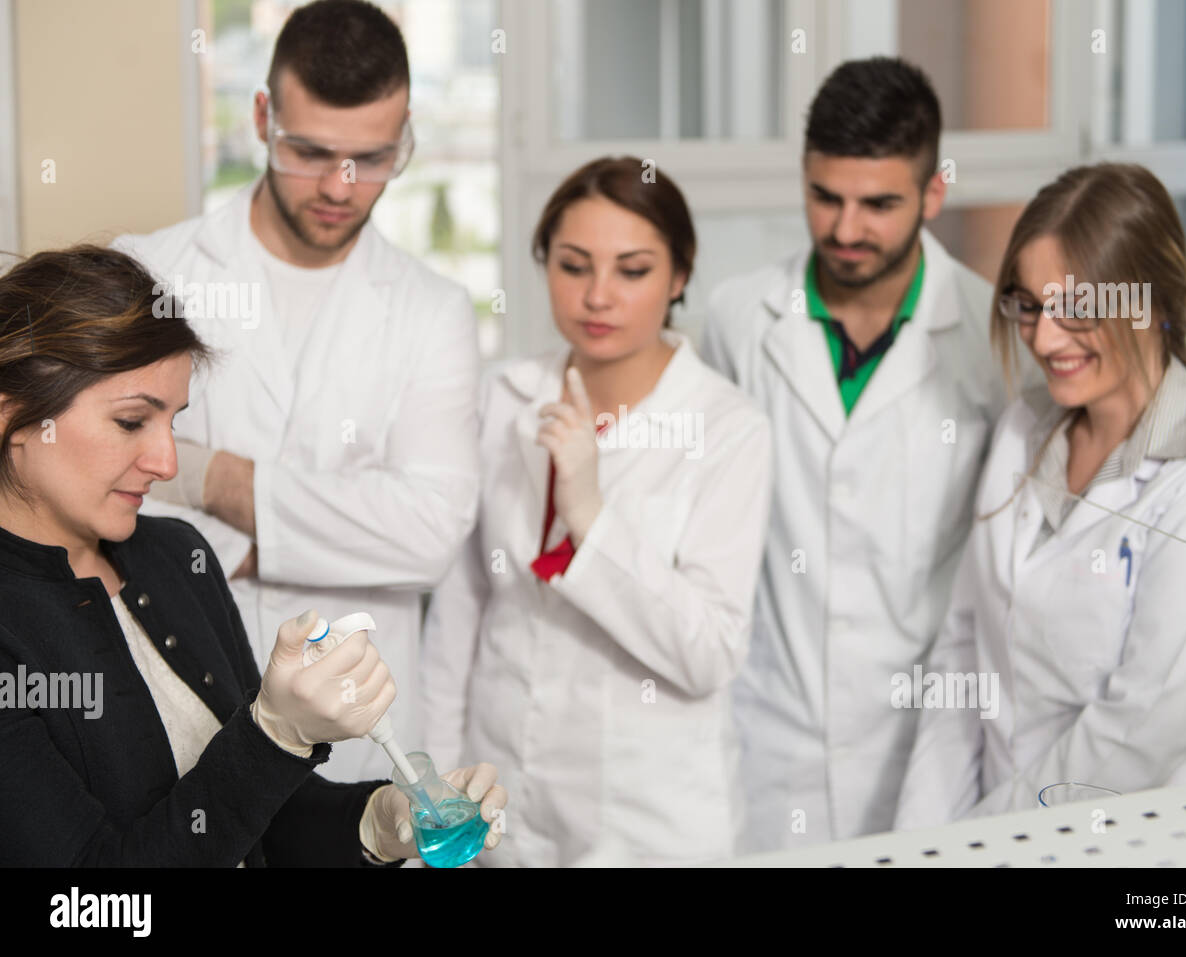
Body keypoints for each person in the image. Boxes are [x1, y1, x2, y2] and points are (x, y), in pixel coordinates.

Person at [0, 245, 505, 866]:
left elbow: (264, 820)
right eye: (132, 422)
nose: (168, 463)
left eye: (173, 422)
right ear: (15, 413)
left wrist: (376, 823)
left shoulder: (172, 556)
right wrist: (275, 735)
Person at [112, 0, 480, 783]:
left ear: (406, 134)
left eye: (373, 157)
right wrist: (311, 528)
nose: (341, 186)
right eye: (310, 151)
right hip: (178, 732)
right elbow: (107, 500)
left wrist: (209, 478)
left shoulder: (433, 311)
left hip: (359, 743)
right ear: (261, 118)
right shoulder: (149, 273)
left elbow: (428, 532)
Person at [893, 163, 1186, 826]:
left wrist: (983, 840)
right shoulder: (1022, 431)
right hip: (996, 835)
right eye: (1030, 304)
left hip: (1150, 853)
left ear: (1157, 305)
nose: (1045, 337)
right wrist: (920, 840)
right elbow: (962, 650)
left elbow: (1131, 742)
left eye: (1079, 308)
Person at [700, 57, 1030, 849]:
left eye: (879, 204)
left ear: (933, 192)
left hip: (926, 736)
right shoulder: (738, 318)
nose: (846, 229)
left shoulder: (998, 340)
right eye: (826, 197)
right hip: (767, 728)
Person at [420, 157, 773, 866]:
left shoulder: (729, 428)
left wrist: (591, 512)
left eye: (633, 270)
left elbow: (707, 652)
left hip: (649, 817)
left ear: (678, 278)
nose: (598, 296)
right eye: (573, 265)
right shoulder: (506, 396)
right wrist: (433, 787)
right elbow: (461, 609)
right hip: (503, 794)